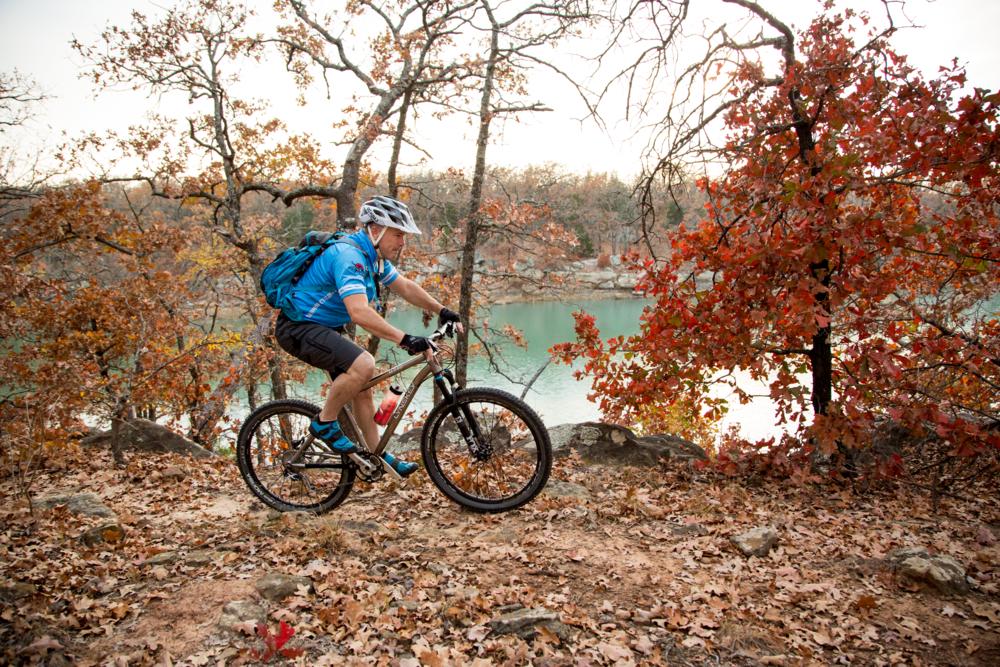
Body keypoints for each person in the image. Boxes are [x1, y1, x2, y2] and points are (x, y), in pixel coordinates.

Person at [274, 195, 462, 477]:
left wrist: (442, 310)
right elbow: (359, 312)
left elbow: (405, 287)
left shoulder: (373, 258)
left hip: (323, 328)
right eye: (398, 234)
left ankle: (377, 457)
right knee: (364, 364)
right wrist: (405, 338)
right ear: (375, 230)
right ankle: (325, 423)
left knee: (363, 386)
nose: (402, 242)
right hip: (298, 327)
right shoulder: (349, 257)